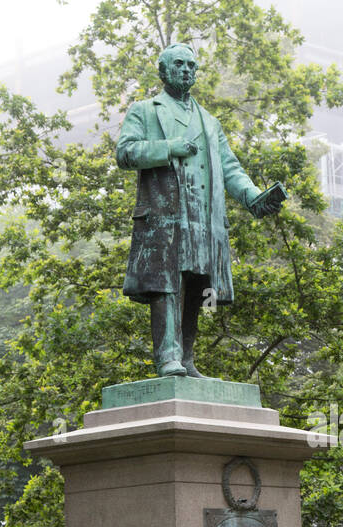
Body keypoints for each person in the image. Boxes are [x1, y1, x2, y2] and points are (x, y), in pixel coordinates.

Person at [115, 43, 284, 377]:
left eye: (192, 65)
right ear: (162, 71)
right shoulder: (145, 111)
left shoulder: (209, 121)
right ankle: (168, 357)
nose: (186, 70)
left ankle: (187, 359)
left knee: (195, 286)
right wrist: (168, 148)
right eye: (179, 64)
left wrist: (253, 197)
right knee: (167, 284)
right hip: (164, 217)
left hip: (202, 220)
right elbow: (125, 152)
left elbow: (230, 168)